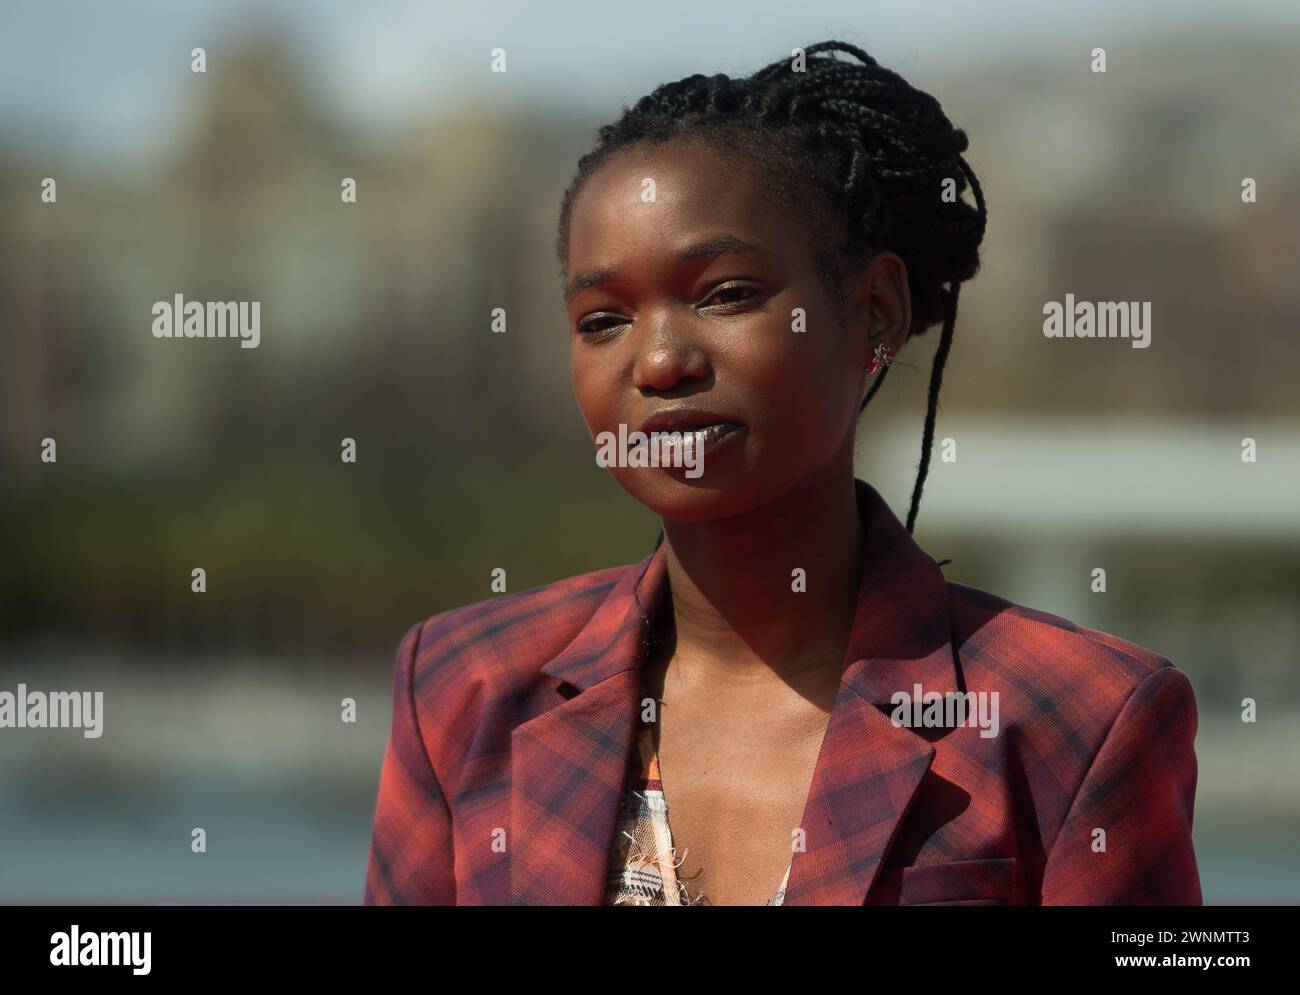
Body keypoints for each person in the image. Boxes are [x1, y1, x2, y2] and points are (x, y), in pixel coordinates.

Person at [363, 40, 1201, 906]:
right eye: (603, 317)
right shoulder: (464, 691)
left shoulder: (1080, 718)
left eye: (725, 294)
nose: (657, 361)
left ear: (874, 312)